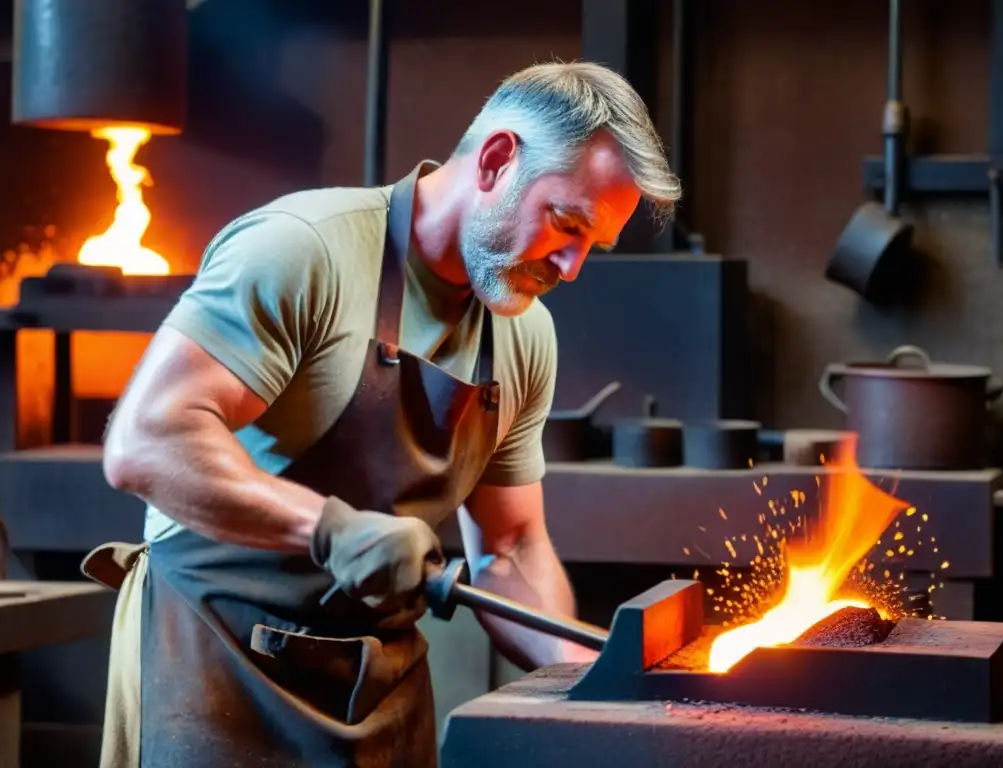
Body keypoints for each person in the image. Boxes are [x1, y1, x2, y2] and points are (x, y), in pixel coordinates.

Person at [83, 60, 682, 767]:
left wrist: (589, 673)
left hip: (378, 689)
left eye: (592, 247)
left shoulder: (524, 335)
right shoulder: (304, 251)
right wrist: (329, 531)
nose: (573, 267)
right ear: (496, 160)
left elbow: (512, 549)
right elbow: (146, 441)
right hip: (214, 664)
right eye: (565, 223)